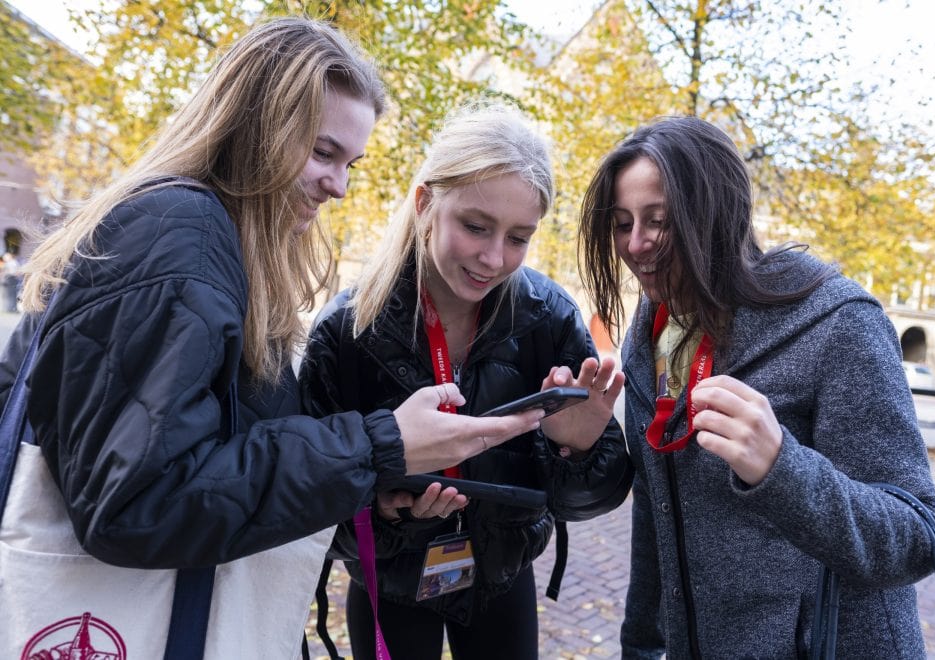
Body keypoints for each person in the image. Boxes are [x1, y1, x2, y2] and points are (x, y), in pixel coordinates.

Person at [0, 17, 543, 654]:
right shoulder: (179, 239)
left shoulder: (202, 239)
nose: (339, 186)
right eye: (322, 153)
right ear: (254, 125)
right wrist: (377, 446)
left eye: (350, 163)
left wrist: (376, 485)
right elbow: (134, 502)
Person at [577, 116, 935, 659]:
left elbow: (919, 538)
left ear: (717, 214)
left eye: (659, 221)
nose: (636, 244)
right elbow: (657, 517)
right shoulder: (646, 337)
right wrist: (640, 646)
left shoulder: (839, 323)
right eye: (621, 223)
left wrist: (782, 468)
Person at [299, 104, 634, 660]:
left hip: (500, 578)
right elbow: (307, 505)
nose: (493, 258)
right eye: (476, 227)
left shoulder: (548, 317)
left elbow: (587, 499)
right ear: (425, 204)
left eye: (519, 237)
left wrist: (576, 449)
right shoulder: (347, 330)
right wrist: (386, 512)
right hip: (389, 581)